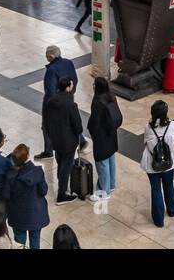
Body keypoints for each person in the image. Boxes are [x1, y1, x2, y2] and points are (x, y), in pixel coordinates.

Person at [1, 144, 49, 249]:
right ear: (27, 157)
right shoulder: (38, 172)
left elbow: (5, 195)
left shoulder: (10, 176)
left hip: (18, 216)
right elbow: (43, 191)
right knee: (35, 240)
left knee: (19, 243)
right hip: (36, 214)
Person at [140, 99, 174, 228]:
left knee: (156, 190)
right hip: (168, 163)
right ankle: (172, 210)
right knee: (169, 185)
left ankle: (158, 219)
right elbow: (172, 143)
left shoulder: (148, 128)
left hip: (152, 164)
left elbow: (146, 143)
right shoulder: (172, 125)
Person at [46, 76, 84, 205]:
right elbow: (78, 125)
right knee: (66, 167)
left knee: (60, 162)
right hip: (68, 141)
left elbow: (46, 120)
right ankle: (61, 194)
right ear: (68, 87)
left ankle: (63, 186)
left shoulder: (51, 102)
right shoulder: (71, 105)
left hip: (55, 139)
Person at [38, 45, 77, 159]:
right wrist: (69, 94)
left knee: (46, 125)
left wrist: (53, 103)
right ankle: (81, 140)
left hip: (53, 103)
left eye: (46, 55)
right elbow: (75, 80)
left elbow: (50, 90)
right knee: (70, 120)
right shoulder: (69, 62)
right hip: (69, 98)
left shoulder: (52, 70)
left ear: (51, 55)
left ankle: (48, 151)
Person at [87, 76, 122, 199]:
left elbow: (95, 123)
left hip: (101, 137)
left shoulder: (97, 101)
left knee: (102, 164)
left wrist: (92, 132)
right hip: (111, 134)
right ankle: (111, 185)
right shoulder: (111, 97)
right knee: (111, 160)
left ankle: (104, 191)